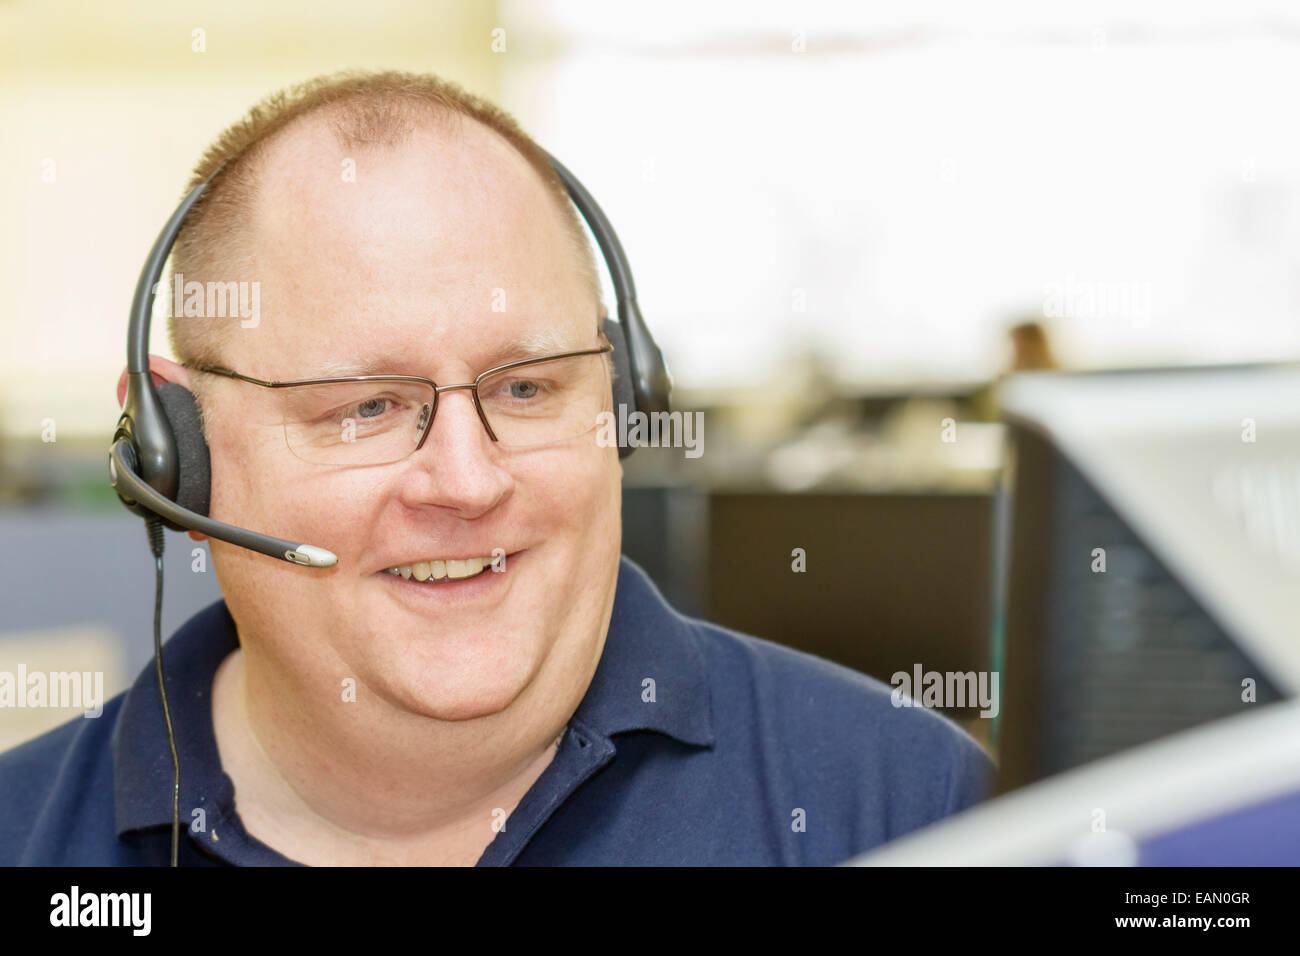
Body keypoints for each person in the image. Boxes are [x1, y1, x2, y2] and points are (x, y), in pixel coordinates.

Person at [0, 70, 991, 866]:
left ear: (622, 397)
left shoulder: (908, 806)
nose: (468, 483)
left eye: (526, 389)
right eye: (367, 407)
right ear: (178, 446)